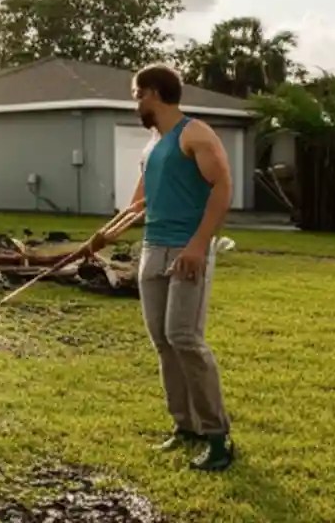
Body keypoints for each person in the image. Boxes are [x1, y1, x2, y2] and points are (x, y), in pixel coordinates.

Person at [125, 63, 236, 472]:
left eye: (137, 93)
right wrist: (104, 234)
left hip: (186, 249)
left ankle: (218, 438)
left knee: (184, 337)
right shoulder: (152, 144)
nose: (135, 101)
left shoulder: (194, 133)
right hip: (152, 249)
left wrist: (198, 244)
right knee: (163, 342)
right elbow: (139, 203)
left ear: (152, 92)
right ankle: (184, 426)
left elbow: (222, 187)